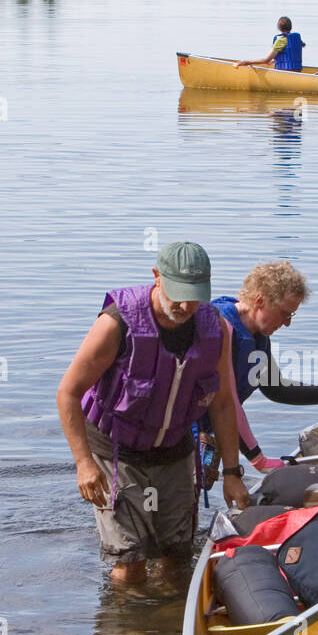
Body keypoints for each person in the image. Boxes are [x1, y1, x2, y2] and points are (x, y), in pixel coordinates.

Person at [57, 241, 249, 586]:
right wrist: (84, 464)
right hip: (116, 452)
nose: (186, 305)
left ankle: (169, 626)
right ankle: (128, 631)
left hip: (175, 453)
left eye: (195, 295)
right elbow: (68, 392)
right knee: (129, 563)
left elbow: (221, 403)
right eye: (178, 293)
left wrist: (233, 472)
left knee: (175, 559)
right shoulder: (116, 325)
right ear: (157, 277)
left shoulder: (215, 329)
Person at [204, 261, 318, 473]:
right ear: (260, 300)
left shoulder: (257, 335)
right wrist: (258, 460)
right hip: (181, 433)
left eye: (291, 315)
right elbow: (226, 403)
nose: (287, 323)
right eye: (285, 313)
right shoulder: (223, 328)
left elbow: (276, 388)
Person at [234, 17, 306, 71]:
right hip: (297, 70)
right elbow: (299, 46)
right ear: (291, 27)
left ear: (278, 28)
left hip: (284, 72)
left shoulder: (281, 41)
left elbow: (266, 60)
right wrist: (276, 60)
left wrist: (247, 62)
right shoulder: (297, 38)